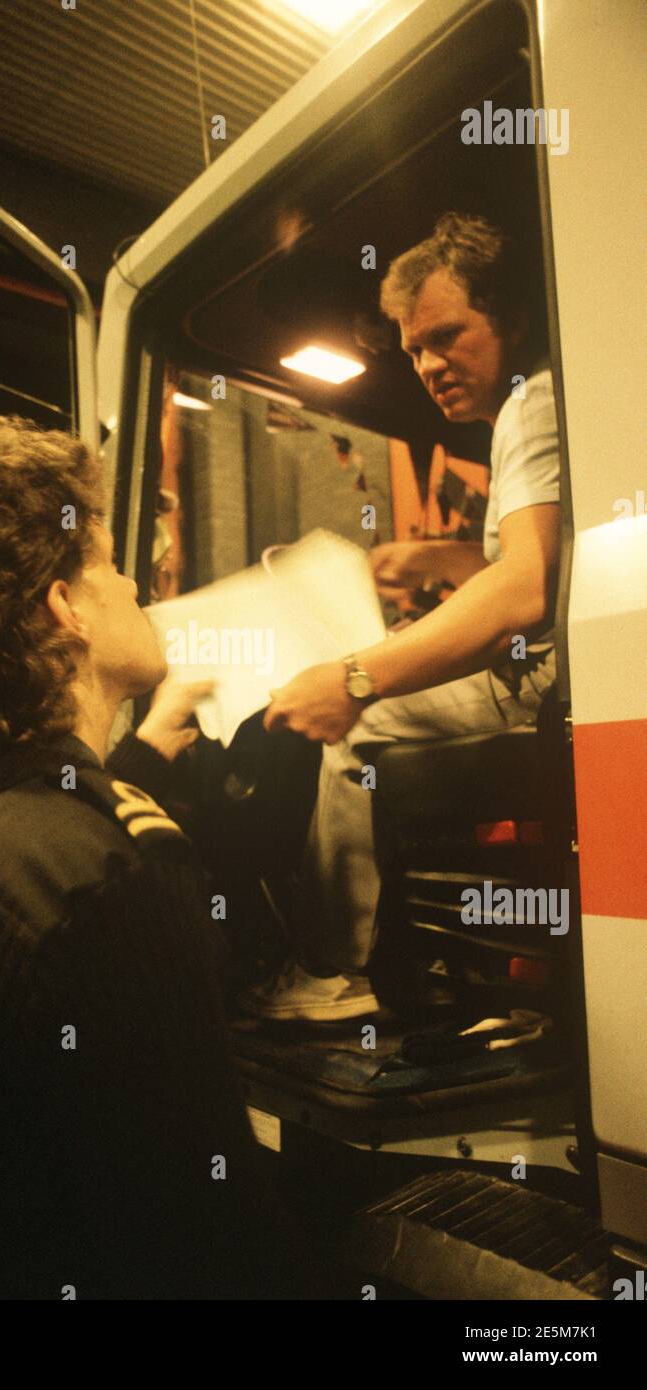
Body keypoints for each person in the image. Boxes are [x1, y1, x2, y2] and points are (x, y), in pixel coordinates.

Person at [0, 419, 314, 1299]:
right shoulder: (113, 879)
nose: (134, 584)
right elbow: (214, 1240)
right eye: (113, 562)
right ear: (65, 609)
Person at [245, 213, 560, 1022]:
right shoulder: (533, 404)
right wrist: (426, 559)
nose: (428, 364)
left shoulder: (533, 406)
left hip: (546, 678)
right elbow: (540, 564)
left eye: (448, 335)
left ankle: (334, 970)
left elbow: (524, 596)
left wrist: (355, 680)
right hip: (548, 663)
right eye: (415, 347)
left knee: (351, 730)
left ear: (512, 318)